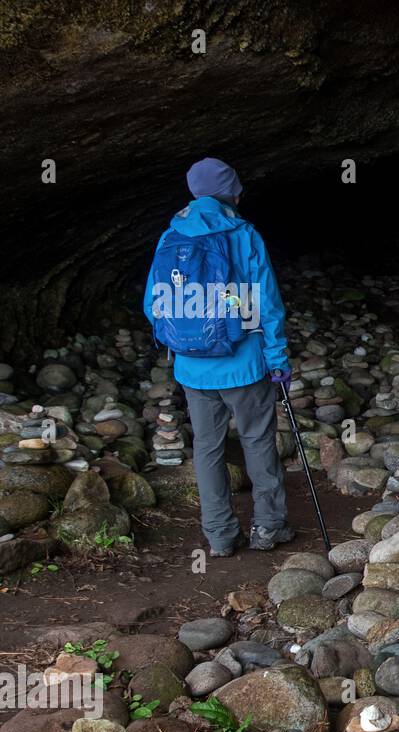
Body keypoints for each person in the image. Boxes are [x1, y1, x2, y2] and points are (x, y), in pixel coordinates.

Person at [143, 157, 294, 556]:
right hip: (244, 363)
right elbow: (266, 304)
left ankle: (221, 537)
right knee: (258, 443)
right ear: (231, 192)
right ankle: (268, 528)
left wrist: (184, 341)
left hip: (193, 369)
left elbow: (153, 306)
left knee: (207, 451)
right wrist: (277, 357)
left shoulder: (169, 237)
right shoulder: (243, 235)